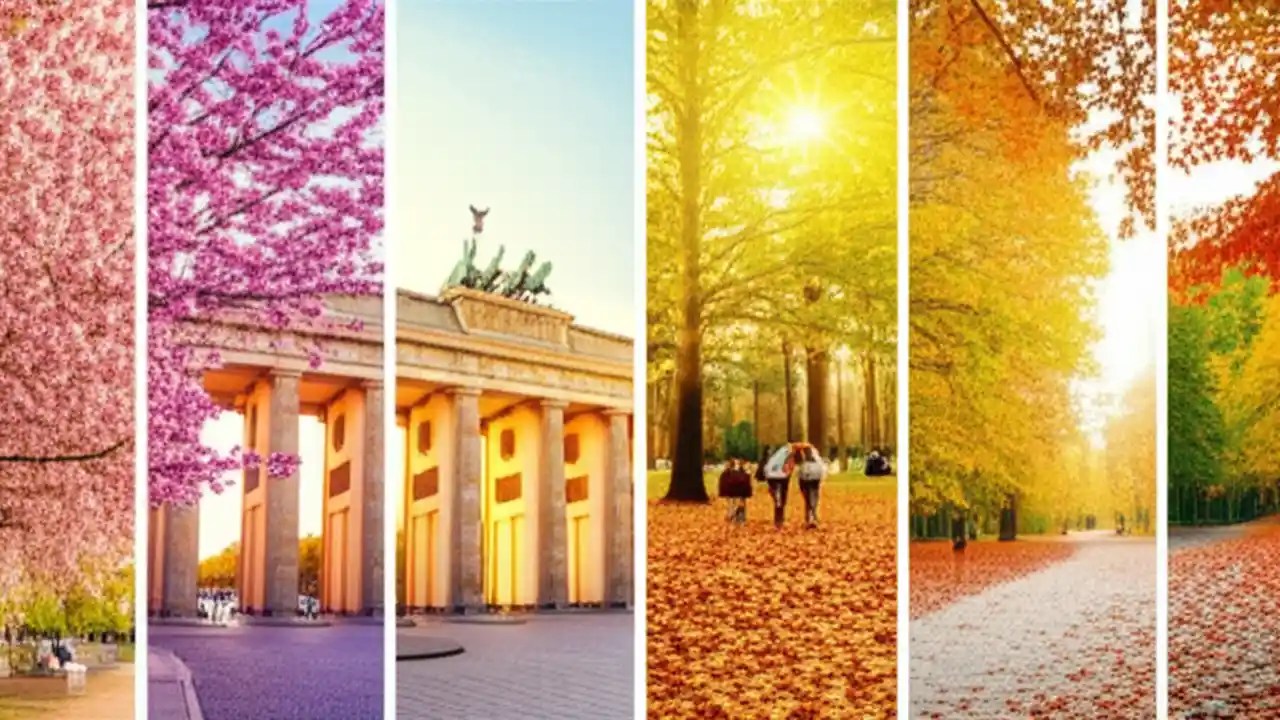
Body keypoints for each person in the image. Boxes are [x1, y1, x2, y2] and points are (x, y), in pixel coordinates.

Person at [764, 445, 795, 528]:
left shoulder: (773, 456)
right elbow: (790, 467)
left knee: (779, 500)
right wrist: (788, 473)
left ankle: (778, 519)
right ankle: (779, 520)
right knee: (781, 500)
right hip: (782, 478)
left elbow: (766, 470)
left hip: (774, 478)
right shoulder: (787, 455)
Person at [796, 446, 827, 528]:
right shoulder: (805, 463)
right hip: (807, 483)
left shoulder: (812, 462)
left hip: (813, 483)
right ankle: (811, 518)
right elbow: (800, 475)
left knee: (812, 501)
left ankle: (812, 518)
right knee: (809, 501)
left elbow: (822, 472)